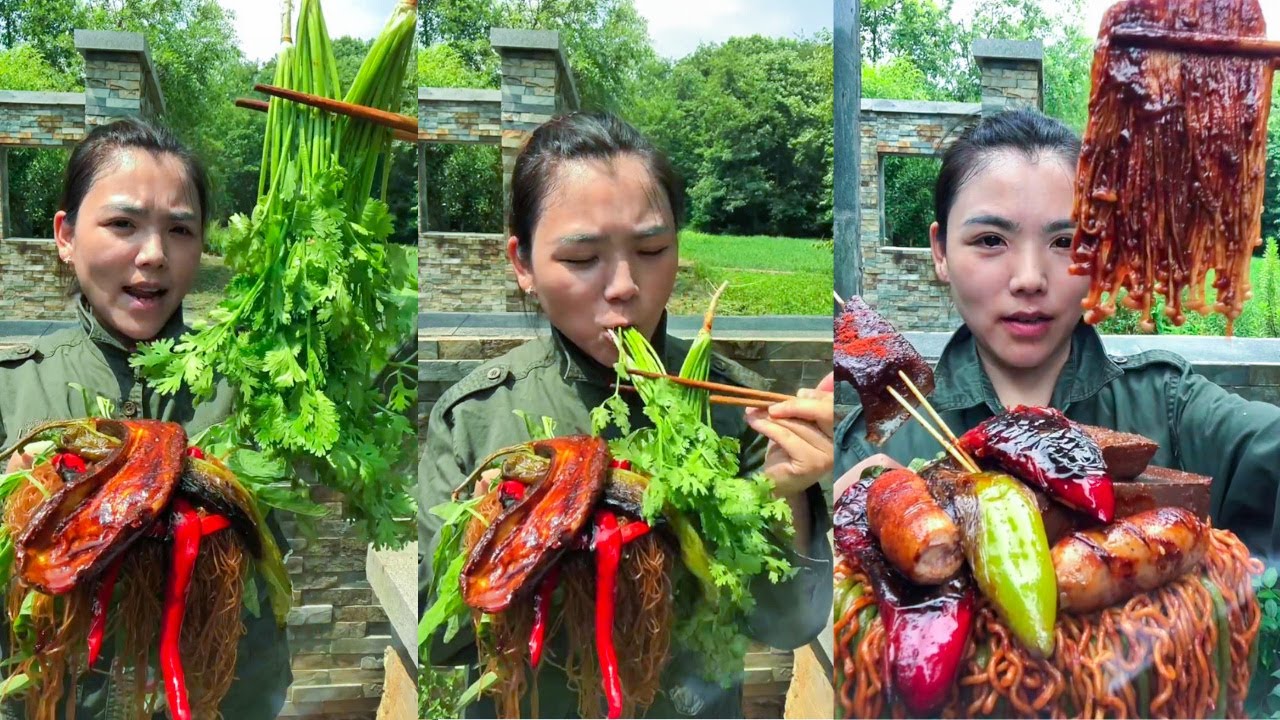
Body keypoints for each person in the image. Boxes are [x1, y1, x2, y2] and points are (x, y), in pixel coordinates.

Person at [420, 111, 834, 718]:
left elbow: (789, 622)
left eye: (651, 249)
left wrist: (786, 492)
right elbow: (440, 638)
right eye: (582, 258)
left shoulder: (737, 409)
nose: (623, 285)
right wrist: (504, 533)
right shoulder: (478, 416)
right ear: (523, 263)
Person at [834, 108, 1280, 559]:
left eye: (1065, 242)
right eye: (990, 240)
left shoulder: (1170, 407)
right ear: (941, 251)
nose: (1029, 278)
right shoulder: (880, 443)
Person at [0, 117, 291, 718]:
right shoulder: (12, 389)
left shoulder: (246, 389)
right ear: (66, 235)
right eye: (122, 224)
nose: (154, 255)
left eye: (180, 230)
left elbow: (267, 588)